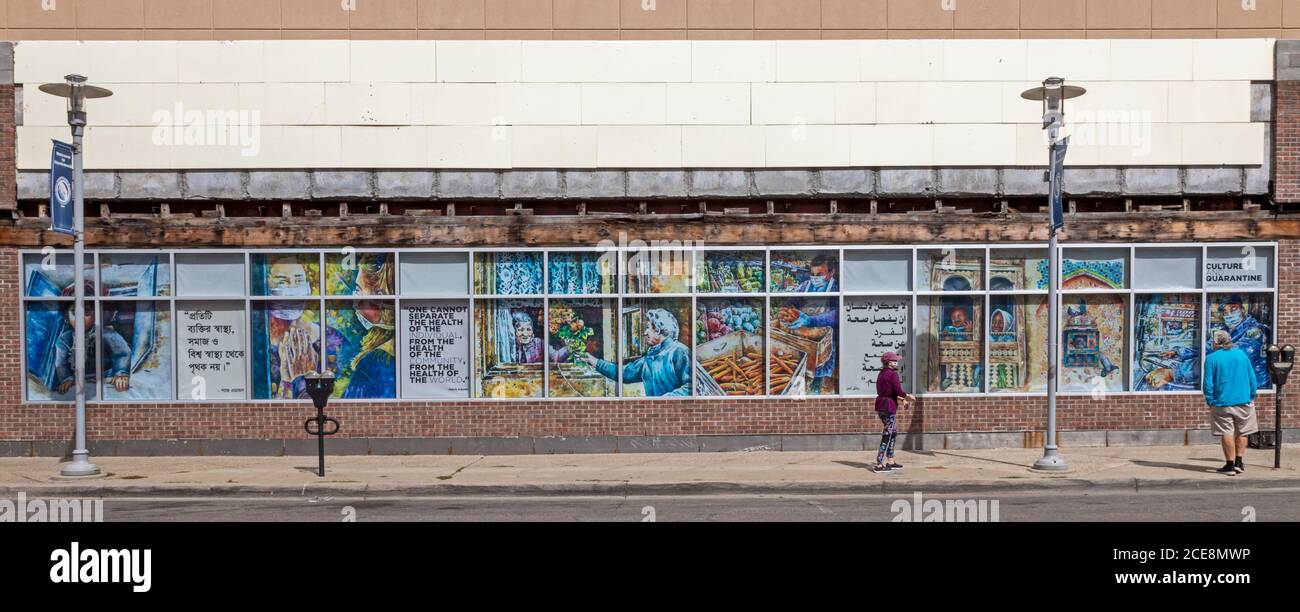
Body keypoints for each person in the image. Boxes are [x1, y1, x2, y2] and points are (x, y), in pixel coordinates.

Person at [583, 308, 689, 396]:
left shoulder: (679, 351)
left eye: (648, 328)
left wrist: (662, 401)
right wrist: (594, 361)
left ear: (658, 330)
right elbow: (624, 373)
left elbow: (693, 387)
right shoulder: (648, 359)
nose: (644, 332)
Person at [1203, 329, 1260, 475]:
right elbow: (1252, 378)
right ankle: (1239, 462)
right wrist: (1251, 395)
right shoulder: (1241, 354)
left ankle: (1229, 465)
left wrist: (1210, 400)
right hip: (1244, 400)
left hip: (1222, 402)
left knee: (1226, 432)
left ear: (1215, 342)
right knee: (1243, 431)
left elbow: (1208, 383)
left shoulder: (1211, 358)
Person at [873, 351, 915, 473]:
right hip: (888, 406)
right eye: (894, 361)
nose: (896, 362)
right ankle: (879, 463)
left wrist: (901, 400)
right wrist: (907, 396)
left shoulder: (881, 373)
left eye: (896, 360)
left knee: (893, 432)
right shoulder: (892, 374)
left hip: (881, 405)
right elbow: (898, 390)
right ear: (888, 363)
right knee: (888, 433)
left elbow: (888, 391)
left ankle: (890, 460)